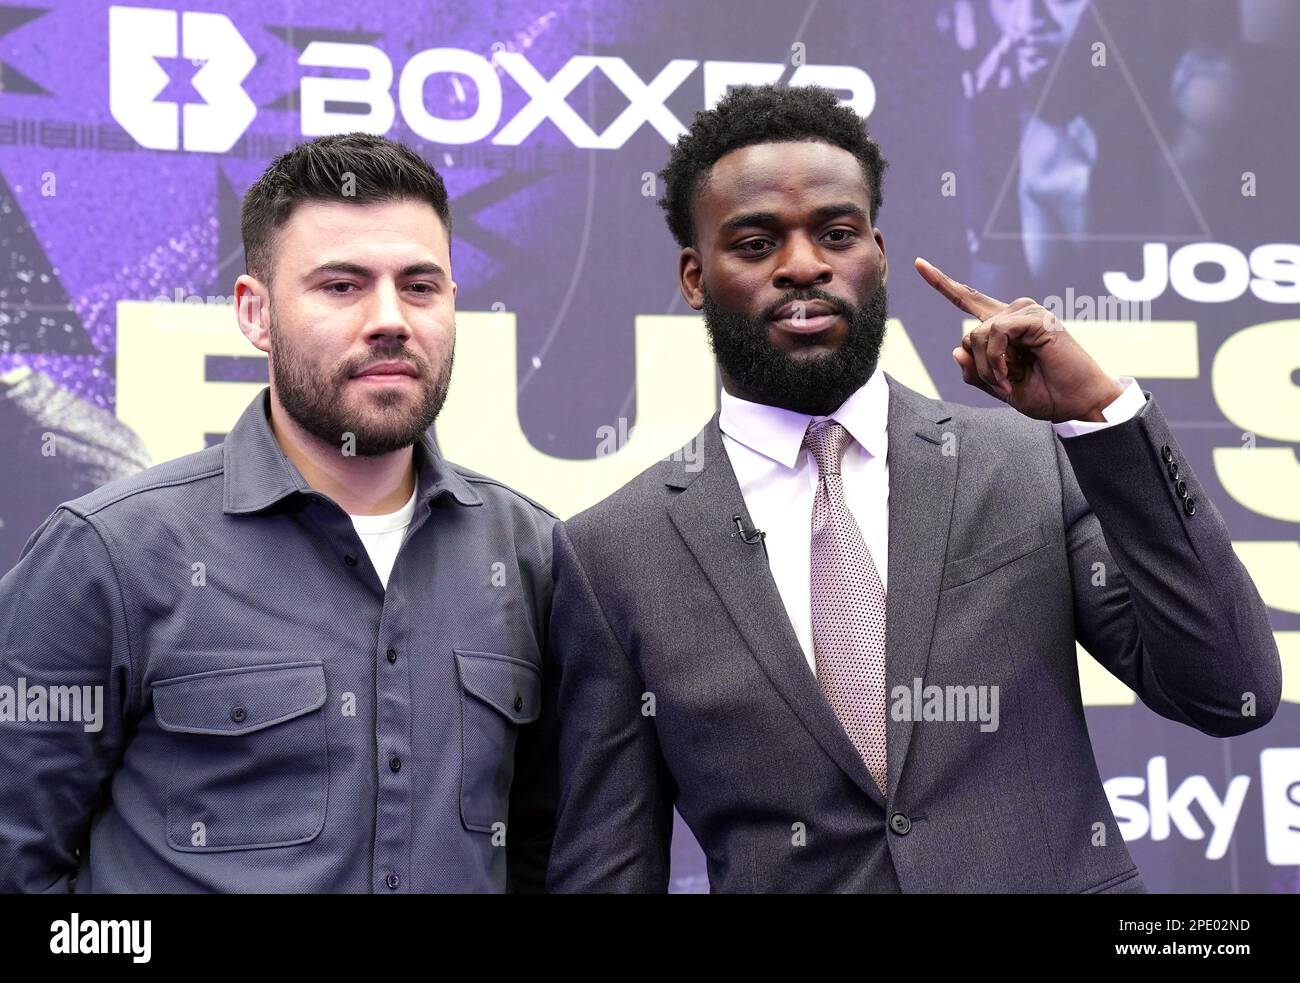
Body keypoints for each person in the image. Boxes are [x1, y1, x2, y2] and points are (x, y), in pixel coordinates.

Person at [545, 84, 1280, 893]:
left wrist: (1101, 421)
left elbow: (1231, 690)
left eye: (836, 233)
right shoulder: (611, 553)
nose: (803, 266)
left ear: (879, 254)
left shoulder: (1027, 461)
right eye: (755, 243)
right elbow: (607, 867)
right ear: (694, 276)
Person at [0, 133, 557, 893]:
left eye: (421, 286)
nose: (390, 318)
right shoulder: (109, 554)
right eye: (342, 285)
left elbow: (549, 851)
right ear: (255, 313)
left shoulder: (536, 556)